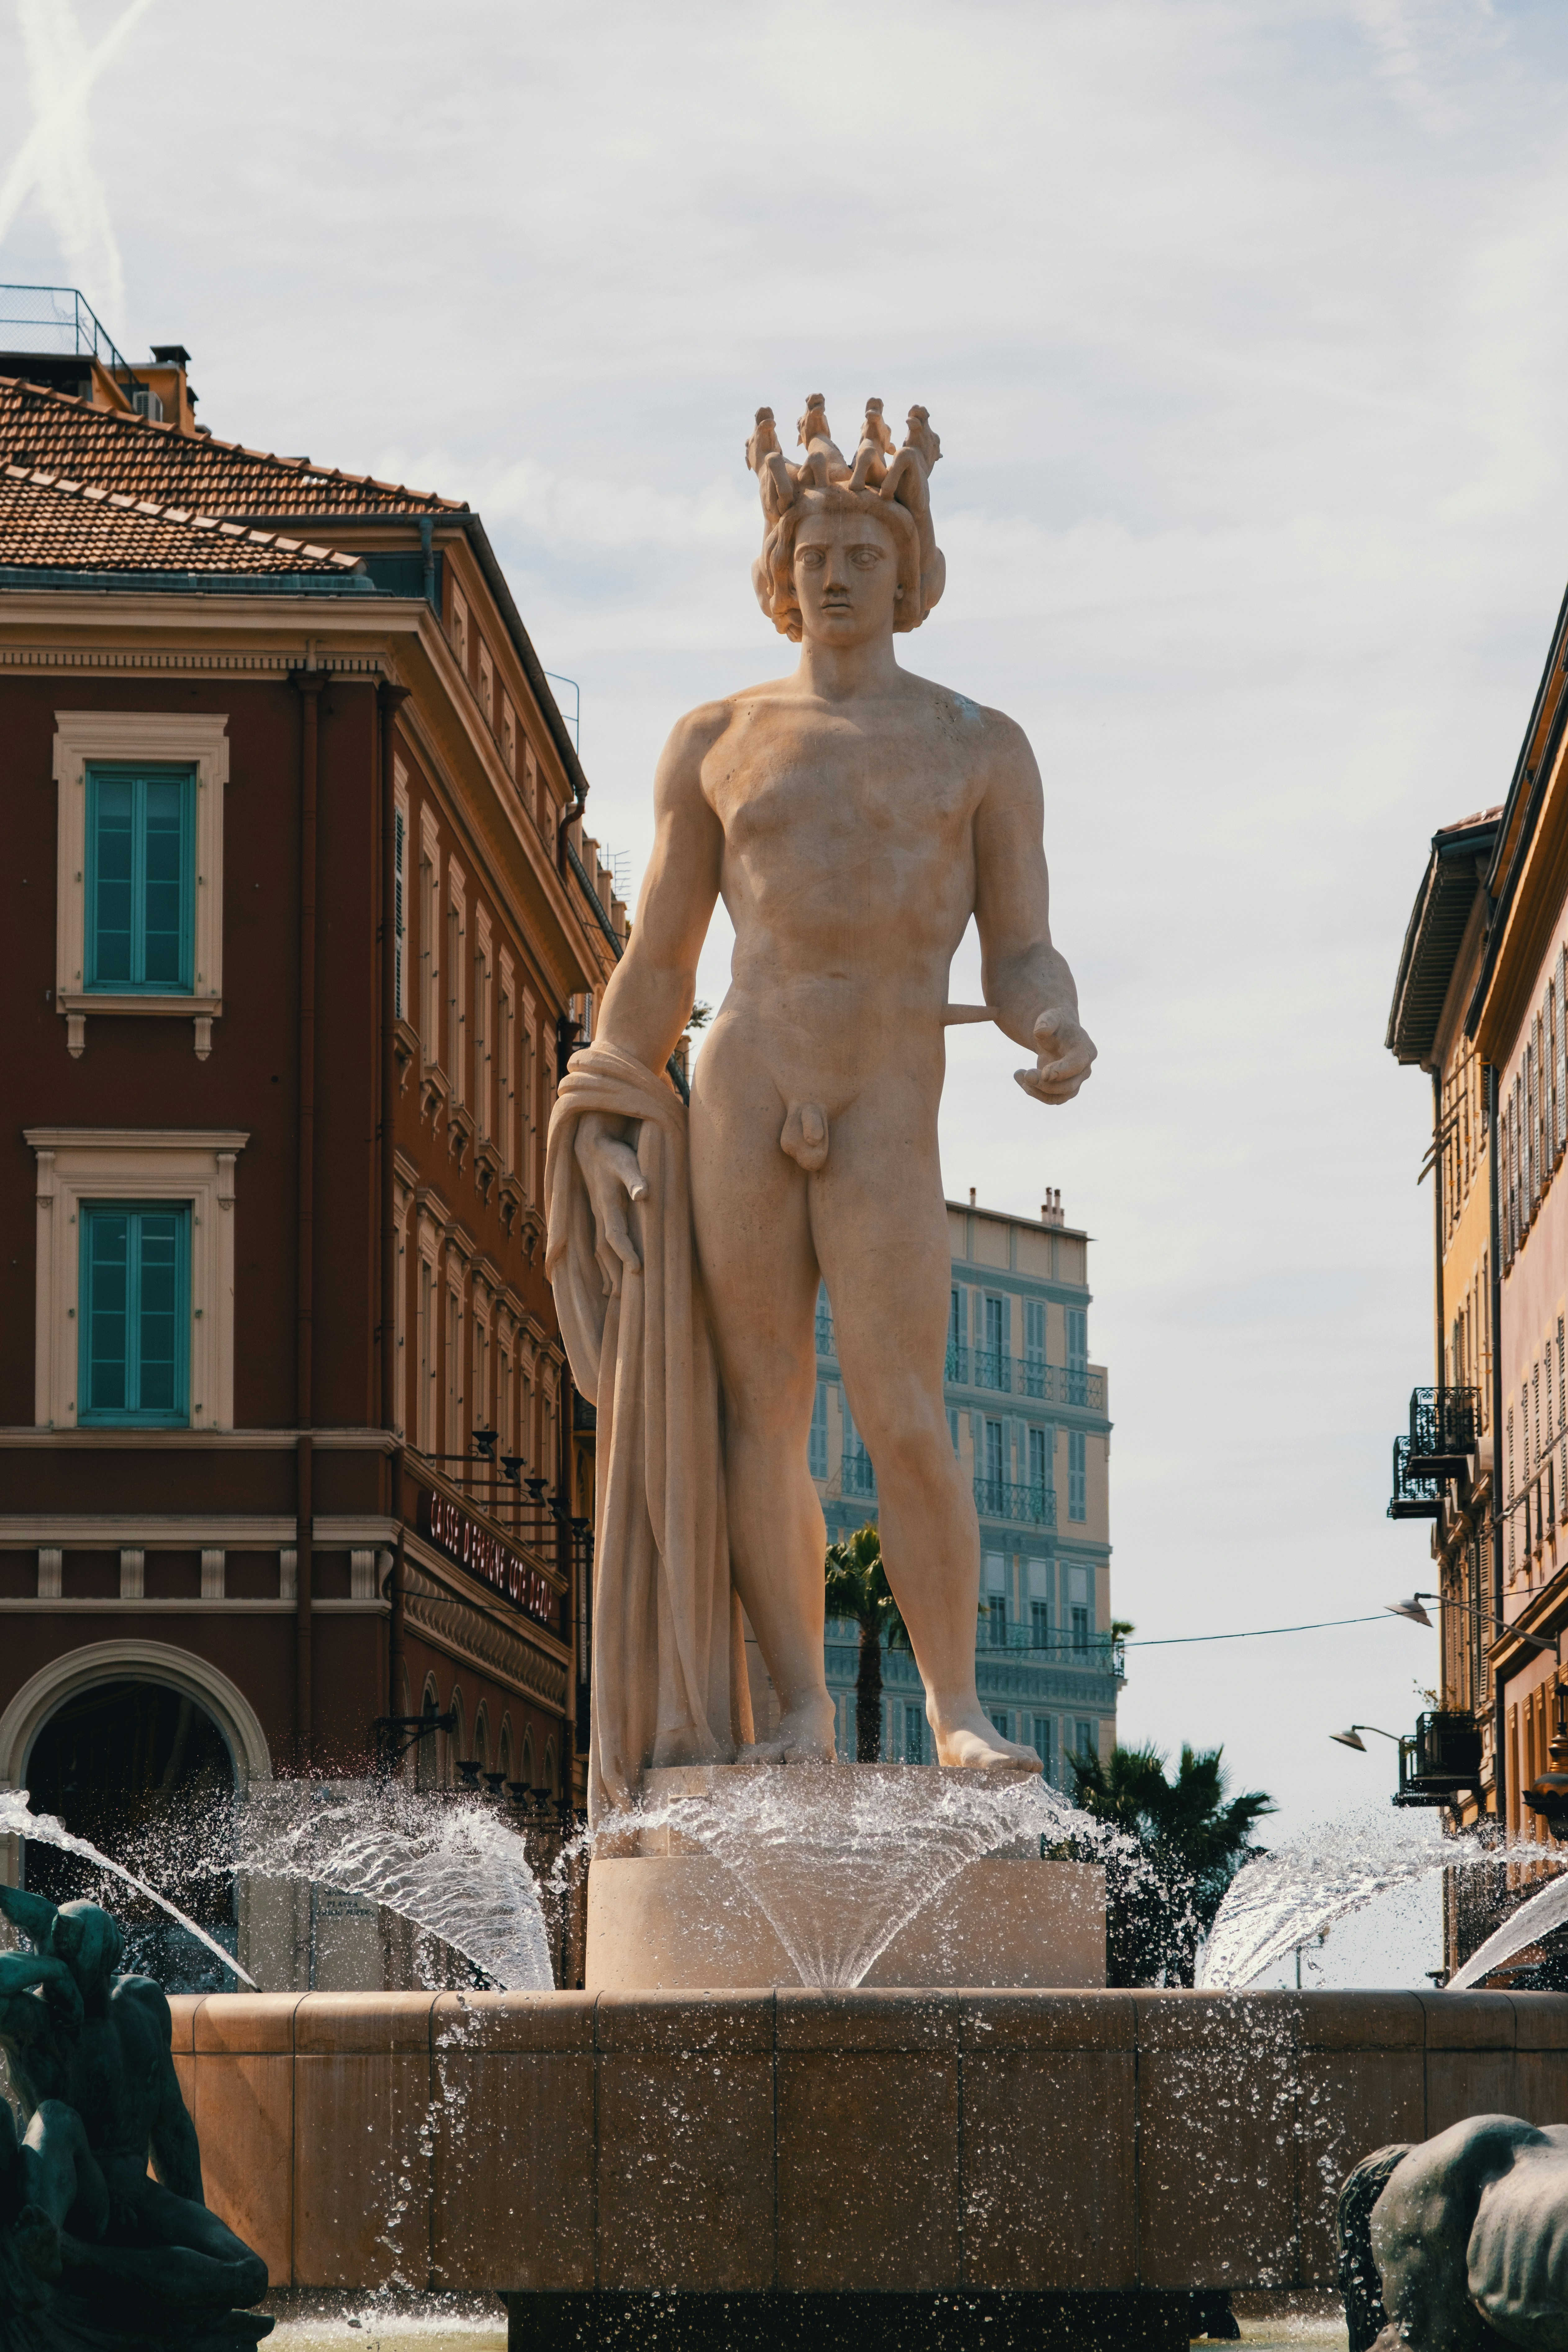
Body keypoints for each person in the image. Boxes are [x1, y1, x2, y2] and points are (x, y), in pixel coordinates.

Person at [553, 396, 1096, 1790]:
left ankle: (956, 1704)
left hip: (884, 1098)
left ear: (908, 569)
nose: (838, 572)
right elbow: (661, 958)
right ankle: (799, 1706)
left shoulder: (981, 746)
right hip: (746, 1081)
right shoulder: (716, 740)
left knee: (909, 1401)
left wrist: (1054, 1022)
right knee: (762, 1408)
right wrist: (613, 1105)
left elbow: (1019, 944)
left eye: (864, 549)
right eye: (816, 551)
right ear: (780, 570)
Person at [0, 1887, 269, 2327]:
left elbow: (173, 2127)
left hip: (139, 2196)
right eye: (56, 1969)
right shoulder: (37, 2021)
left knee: (250, 2274)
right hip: (75, 2196)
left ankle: (75, 2257)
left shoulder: (143, 2004)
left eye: (74, 1968)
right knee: (56, 2116)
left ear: (106, 1959)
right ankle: (48, 2249)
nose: (62, 1989)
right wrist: (48, 1968)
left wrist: (193, 2219)